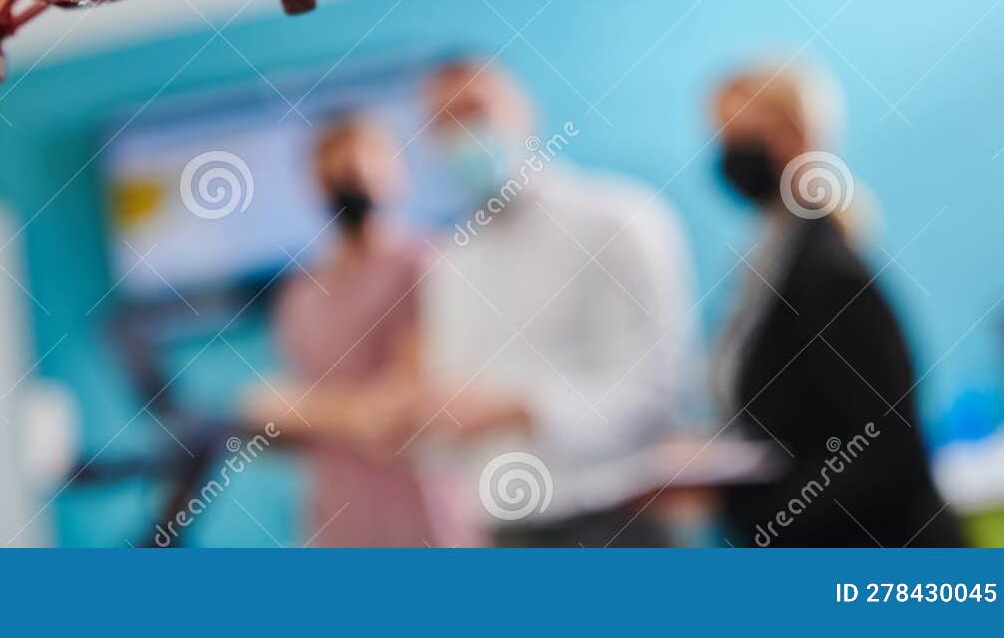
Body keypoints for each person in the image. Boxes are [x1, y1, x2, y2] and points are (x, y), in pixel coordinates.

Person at [411, 58, 699, 546]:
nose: (463, 132)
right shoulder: (447, 263)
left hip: (619, 522)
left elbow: (659, 389)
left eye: (475, 110)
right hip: (504, 533)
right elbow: (451, 411)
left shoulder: (618, 219)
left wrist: (521, 411)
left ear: (524, 113)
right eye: (444, 121)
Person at [708, 62, 963, 547]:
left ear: (794, 135)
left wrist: (761, 510)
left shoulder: (825, 271)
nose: (726, 152)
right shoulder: (765, 265)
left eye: (737, 131)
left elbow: (890, 452)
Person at [245, 113, 474, 547]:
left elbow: (403, 411)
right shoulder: (300, 295)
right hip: (337, 523)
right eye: (334, 165)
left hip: (426, 518)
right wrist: (315, 412)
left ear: (398, 172)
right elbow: (273, 423)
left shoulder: (430, 266)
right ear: (312, 183)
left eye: (365, 160)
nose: (351, 176)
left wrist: (296, 409)